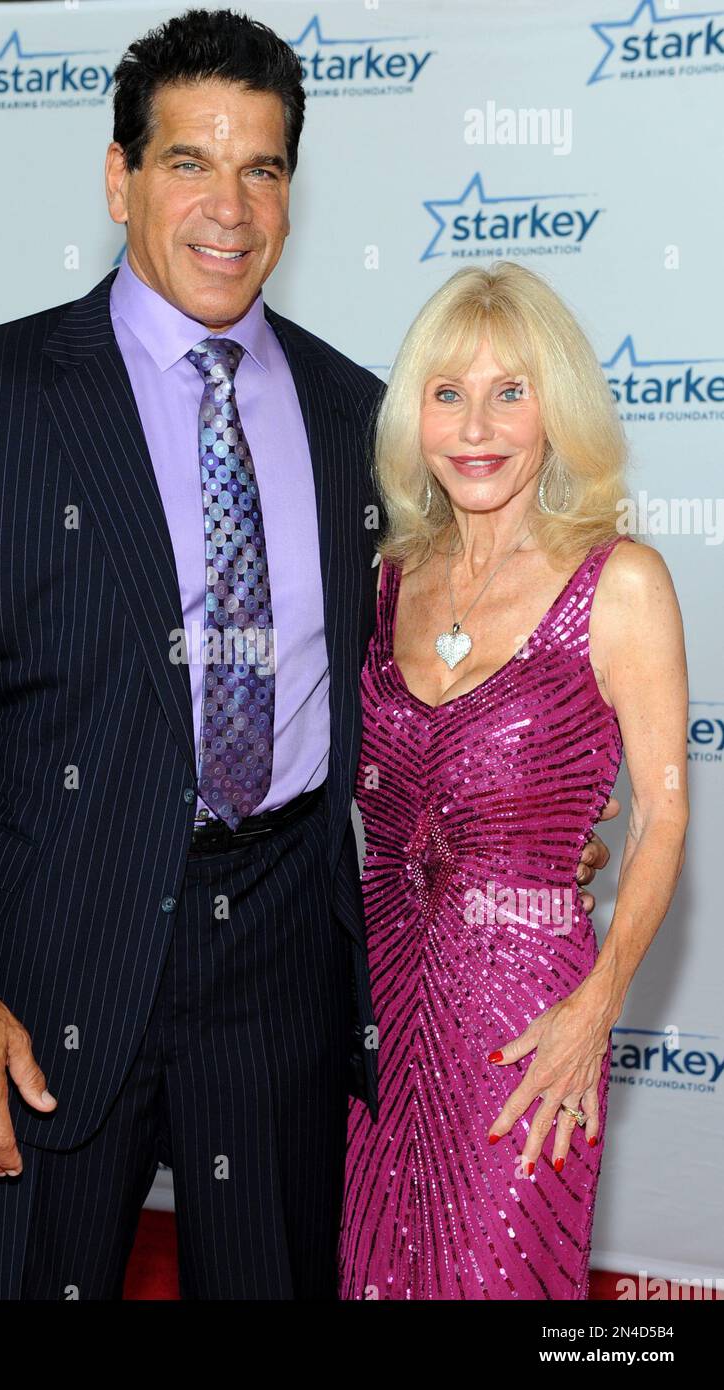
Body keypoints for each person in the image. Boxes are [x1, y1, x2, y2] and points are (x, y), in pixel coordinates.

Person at [0, 10, 612, 1300]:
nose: (229, 204)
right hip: (46, 961)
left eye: (261, 167)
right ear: (119, 177)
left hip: (283, 952)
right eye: (191, 160)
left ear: (292, 194)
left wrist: (511, 816)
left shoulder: (359, 414)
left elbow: (439, 651)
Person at [338, 262, 689, 1300]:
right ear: (416, 418)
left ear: (557, 410)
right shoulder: (387, 575)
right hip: (375, 1008)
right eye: (448, 393)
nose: (476, 424)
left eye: (511, 391)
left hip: (528, 1023)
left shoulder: (618, 582)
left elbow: (665, 815)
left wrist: (599, 1006)